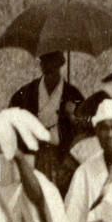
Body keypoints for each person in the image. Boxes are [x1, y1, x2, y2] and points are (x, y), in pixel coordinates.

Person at [8, 49, 84, 194]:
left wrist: (74, 116)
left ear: (61, 66)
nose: (50, 75)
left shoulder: (72, 94)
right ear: (41, 67)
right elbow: (12, 115)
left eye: (53, 70)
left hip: (63, 158)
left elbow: (86, 127)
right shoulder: (27, 92)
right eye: (46, 70)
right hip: (33, 155)